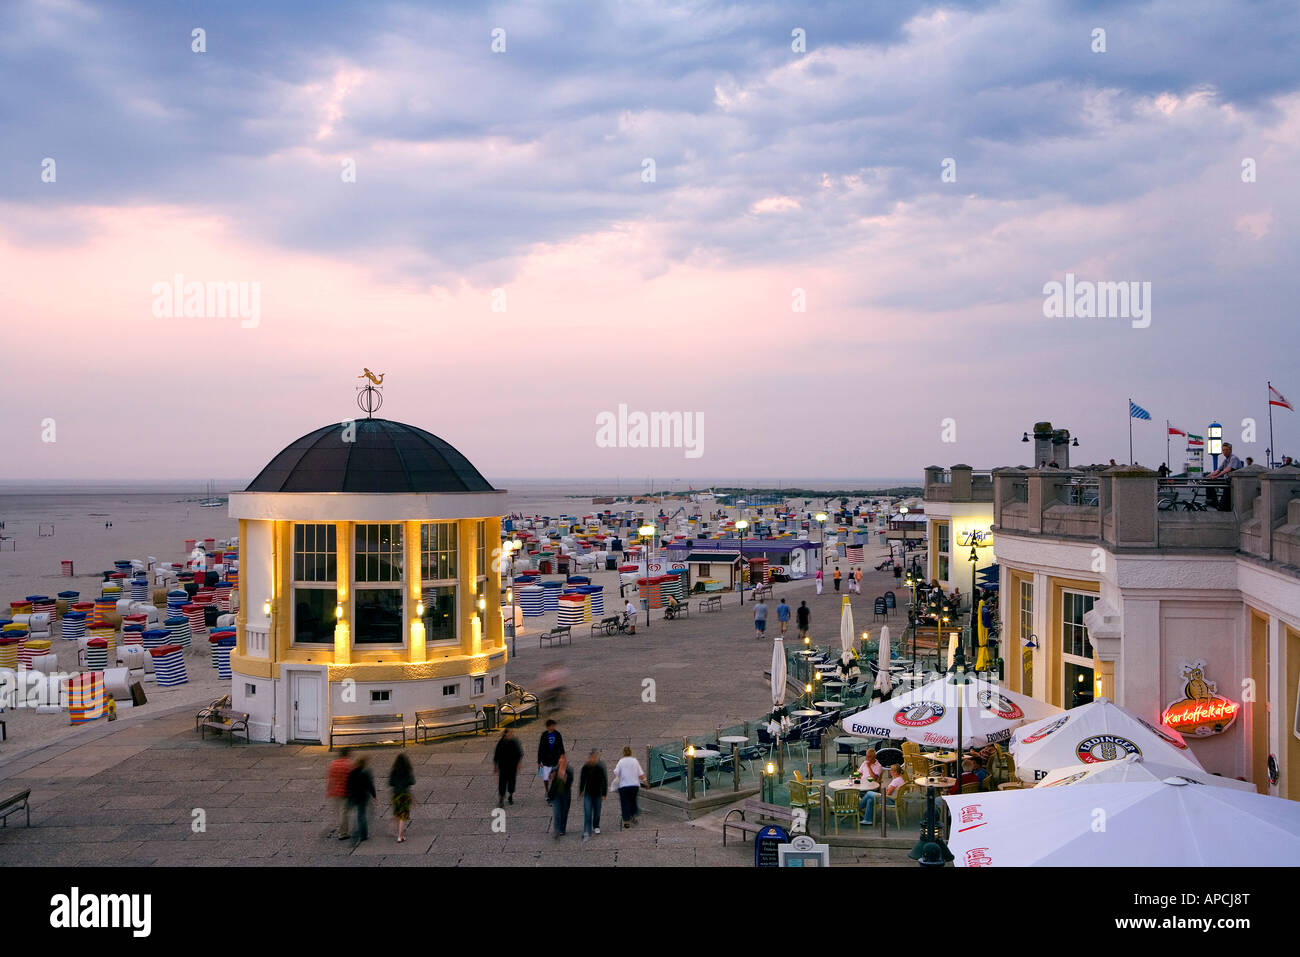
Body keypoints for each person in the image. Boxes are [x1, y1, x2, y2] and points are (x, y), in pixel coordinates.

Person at [611, 746, 647, 828]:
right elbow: (640, 774)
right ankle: (633, 814)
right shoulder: (635, 761)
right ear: (631, 752)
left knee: (624, 803)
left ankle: (626, 821)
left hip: (623, 786)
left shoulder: (621, 762)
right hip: (634, 786)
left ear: (623, 753)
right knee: (633, 801)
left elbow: (616, 772)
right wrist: (645, 782)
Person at [578, 749, 608, 841]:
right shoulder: (585, 767)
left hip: (598, 793)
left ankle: (596, 825)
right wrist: (581, 791)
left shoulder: (600, 767)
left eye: (595, 757)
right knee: (587, 812)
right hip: (588, 793)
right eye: (592, 757)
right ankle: (587, 831)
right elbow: (582, 780)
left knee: (597, 811)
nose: (593, 759)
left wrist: (604, 793)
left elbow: (604, 781)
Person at [345, 756, 376, 844]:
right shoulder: (365, 773)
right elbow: (369, 785)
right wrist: (374, 795)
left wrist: (348, 796)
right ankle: (363, 834)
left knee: (358, 814)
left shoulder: (351, 773)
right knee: (361, 815)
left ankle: (358, 832)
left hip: (354, 796)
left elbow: (348, 785)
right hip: (363, 797)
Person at [326, 747, 355, 841]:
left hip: (335, 791)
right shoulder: (349, 765)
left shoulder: (333, 764)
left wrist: (328, 790)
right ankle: (342, 833)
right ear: (347, 754)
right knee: (344, 812)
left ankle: (341, 829)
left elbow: (330, 778)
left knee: (340, 812)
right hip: (345, 792)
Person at [389, 752, 415, 843]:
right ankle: (400, 836)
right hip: (405, 795)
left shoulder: (394, 771)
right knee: (403, 816)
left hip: (395, 795)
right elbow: (412, 781)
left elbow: (390, 782)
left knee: (397, 814)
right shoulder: (407, 770)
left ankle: (399, 832)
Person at [494, 727, 523, 807]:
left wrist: (518, 764)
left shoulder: (514, 742)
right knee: (502, 783)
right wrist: (495, 766)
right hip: (503, 766)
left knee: (511, 782)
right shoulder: (501, 742)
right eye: (509, 733)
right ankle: (501, 799)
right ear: (505, 734)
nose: (510, 735)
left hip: (512, 766)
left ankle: (510, 795)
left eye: (511, 733)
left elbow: (519, 753)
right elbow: (496, 754)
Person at [537, 719, 566, 800]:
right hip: (546, 760)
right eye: (552, 725)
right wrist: (539, 761)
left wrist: (563, 756)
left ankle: (554, 793)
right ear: (548, 727)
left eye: (554, 725)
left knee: (555, 776)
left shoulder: (557, 734)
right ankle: (547, 791)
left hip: (555, 759)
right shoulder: (544, 735)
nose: (554, 727)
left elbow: (561, 746)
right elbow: (540, 748)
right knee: (546, 778)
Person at [548, 753, 574, 837]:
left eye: (563, 760)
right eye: (560, 760)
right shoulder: (555, 769)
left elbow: (569, 783)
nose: (561, 762)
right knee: (557, 812)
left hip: (565, 794)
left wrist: (563, 776)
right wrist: (552, 775)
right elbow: (550, 777)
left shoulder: (569, 770)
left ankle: (562, 829)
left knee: (564, 812)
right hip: (556, 794)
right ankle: (556, 829)